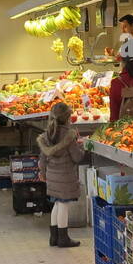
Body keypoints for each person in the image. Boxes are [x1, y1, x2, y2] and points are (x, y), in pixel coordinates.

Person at [38, 101, 87, 248]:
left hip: (52, 177)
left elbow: (42, 158)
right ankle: (63, 238)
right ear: (68, 118)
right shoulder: (69, 136)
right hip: (65, 177)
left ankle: (53, 237)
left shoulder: (46, 135)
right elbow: (77, 157)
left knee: (57, 204)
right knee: (63, 205)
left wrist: (43, 173)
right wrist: (80, 145)